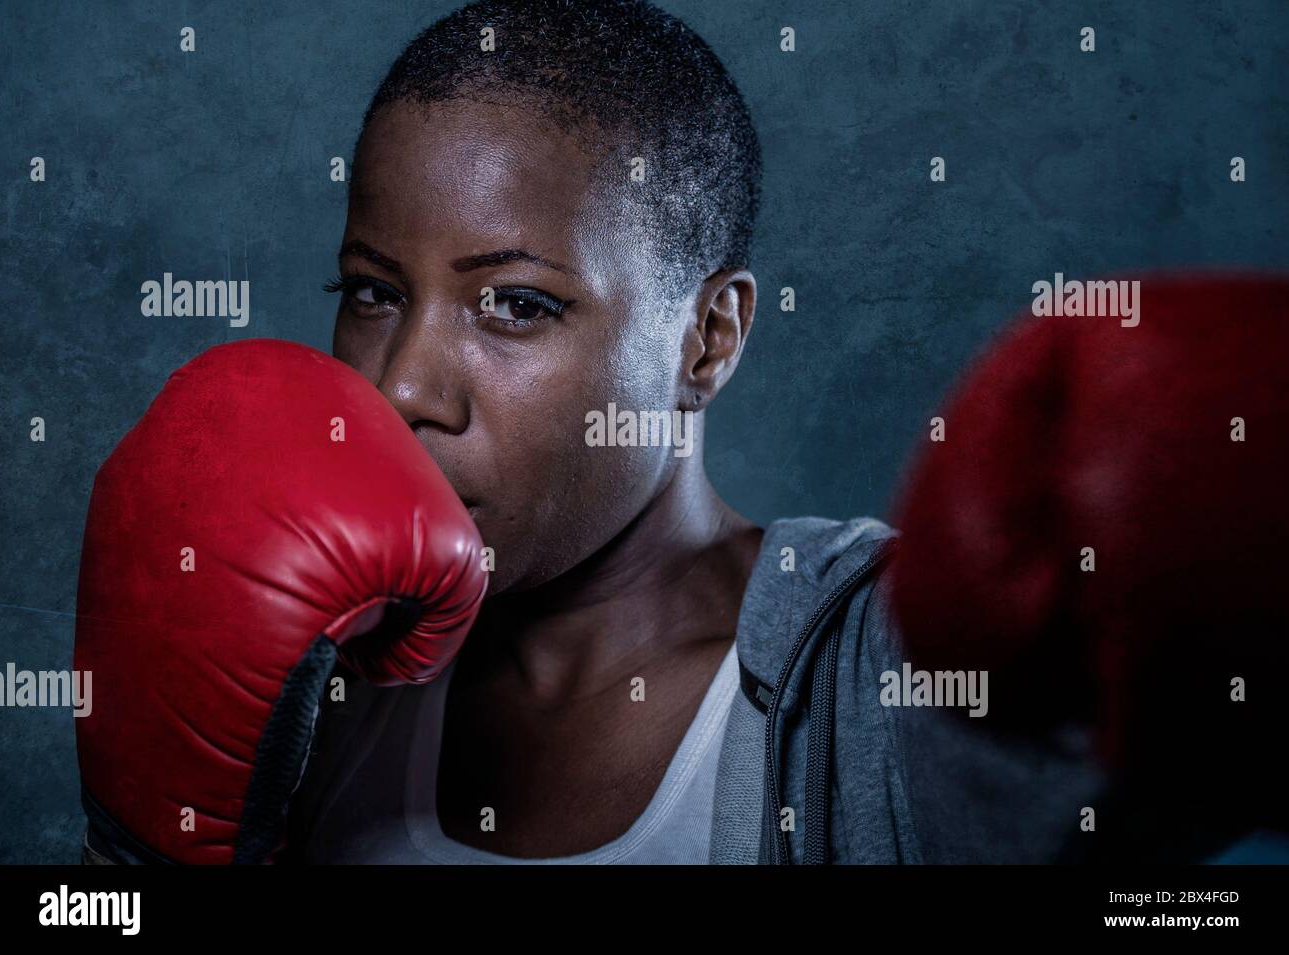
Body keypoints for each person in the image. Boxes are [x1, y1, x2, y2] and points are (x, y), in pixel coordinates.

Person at [279, 0, 1098, 864]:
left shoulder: (881, 677)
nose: (402, 384)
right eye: (373, 292)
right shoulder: (316, 662)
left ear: (708, 338)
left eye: (516, 304)